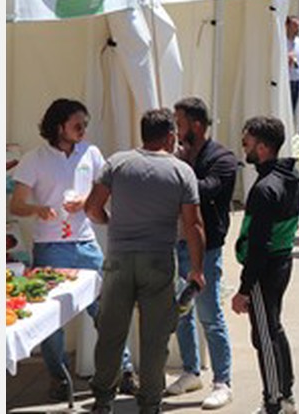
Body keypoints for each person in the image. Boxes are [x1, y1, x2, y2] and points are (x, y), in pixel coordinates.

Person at [9, 99, 135, 402]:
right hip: (51, 247)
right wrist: (38, 209)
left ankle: (124, 370)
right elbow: (17, 204)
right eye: (77, 125)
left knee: (107, 310)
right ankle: (59, 377)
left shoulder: (90, 152)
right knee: (51, 319)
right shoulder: (34, 159)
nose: (83, 130)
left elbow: (105, 188)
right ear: (58, 127)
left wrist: (87, 201)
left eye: (85, 124)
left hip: (86, 243)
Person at [84, 108, 204, 414]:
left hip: (119, 259)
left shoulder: (118, 163)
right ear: (169, 136)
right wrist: (197, 270)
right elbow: (194, 226)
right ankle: (150, 404)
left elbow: (92, 208)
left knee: (111, 333)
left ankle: (102, 401)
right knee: (155, 338)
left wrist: (112, 222)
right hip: (159, 261)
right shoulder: (181, 171)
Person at [166, 97, 237, 409]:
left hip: (206, 249)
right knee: (182, 312)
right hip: (179, 244)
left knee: (210, 315)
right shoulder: (181, 155)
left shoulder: (222, 157)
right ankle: (191, 372)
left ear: (196, 124)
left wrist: (173, 172)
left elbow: (207, 188)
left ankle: (223, 381)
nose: (176, 130)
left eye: (179, 124)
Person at [232, 116, 299, 414]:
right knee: (274, 328)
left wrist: (244, 289)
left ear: (262, 147)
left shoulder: (264, 189)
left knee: (263, 336)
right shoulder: (292, 177)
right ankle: (286, 396)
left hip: (265, 271)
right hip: (283, 263)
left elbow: (259, 246)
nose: (243, 148)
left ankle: (273, 400)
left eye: (246, 142)